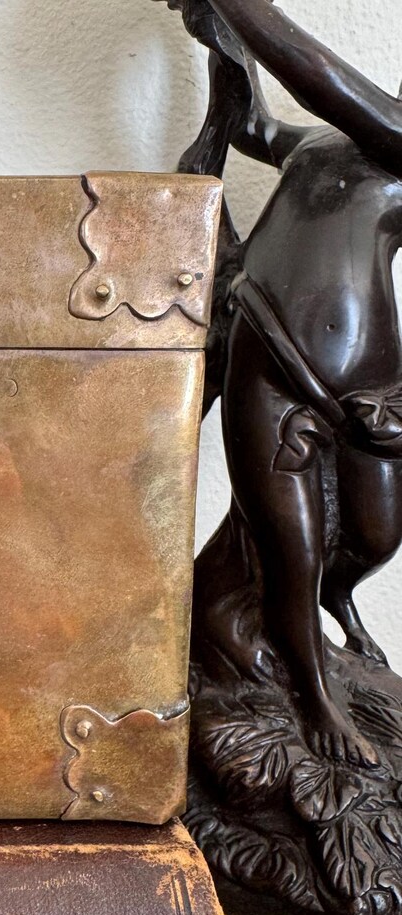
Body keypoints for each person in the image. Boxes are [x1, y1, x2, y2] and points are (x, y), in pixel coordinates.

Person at [172, 0, 402, 767]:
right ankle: (311, 697)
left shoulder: (395, 138)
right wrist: (220, 41)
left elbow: (322, 77)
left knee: (373, 535)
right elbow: (255, 127)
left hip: (370, 396)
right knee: (292, 545)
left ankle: (324, 617)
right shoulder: (330, 144)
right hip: (273, 364)